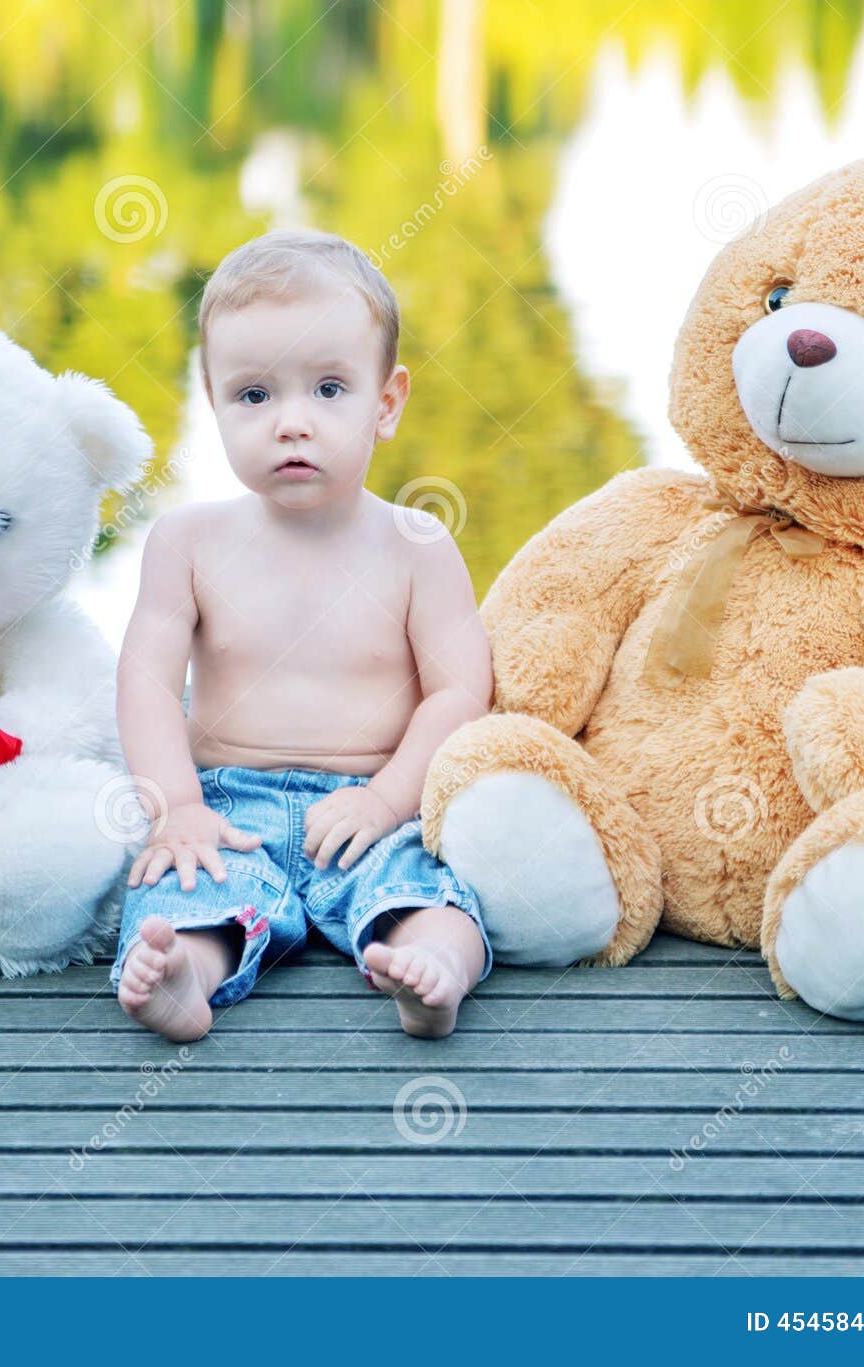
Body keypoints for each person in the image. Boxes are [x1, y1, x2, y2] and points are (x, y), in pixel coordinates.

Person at [111, 229, 494, 1042]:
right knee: (185, 890)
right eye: (254, 395)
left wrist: (388, 795)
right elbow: (146, 679)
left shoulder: (418, 547)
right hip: (226, 805)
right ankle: (190, 977)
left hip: (374, 804)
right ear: (211, 399)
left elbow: (461, 689)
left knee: (434, 894)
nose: (291, 422)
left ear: (385, 404)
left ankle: (436, 973)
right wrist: (175, 803)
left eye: (328, 389)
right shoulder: (185, 542)